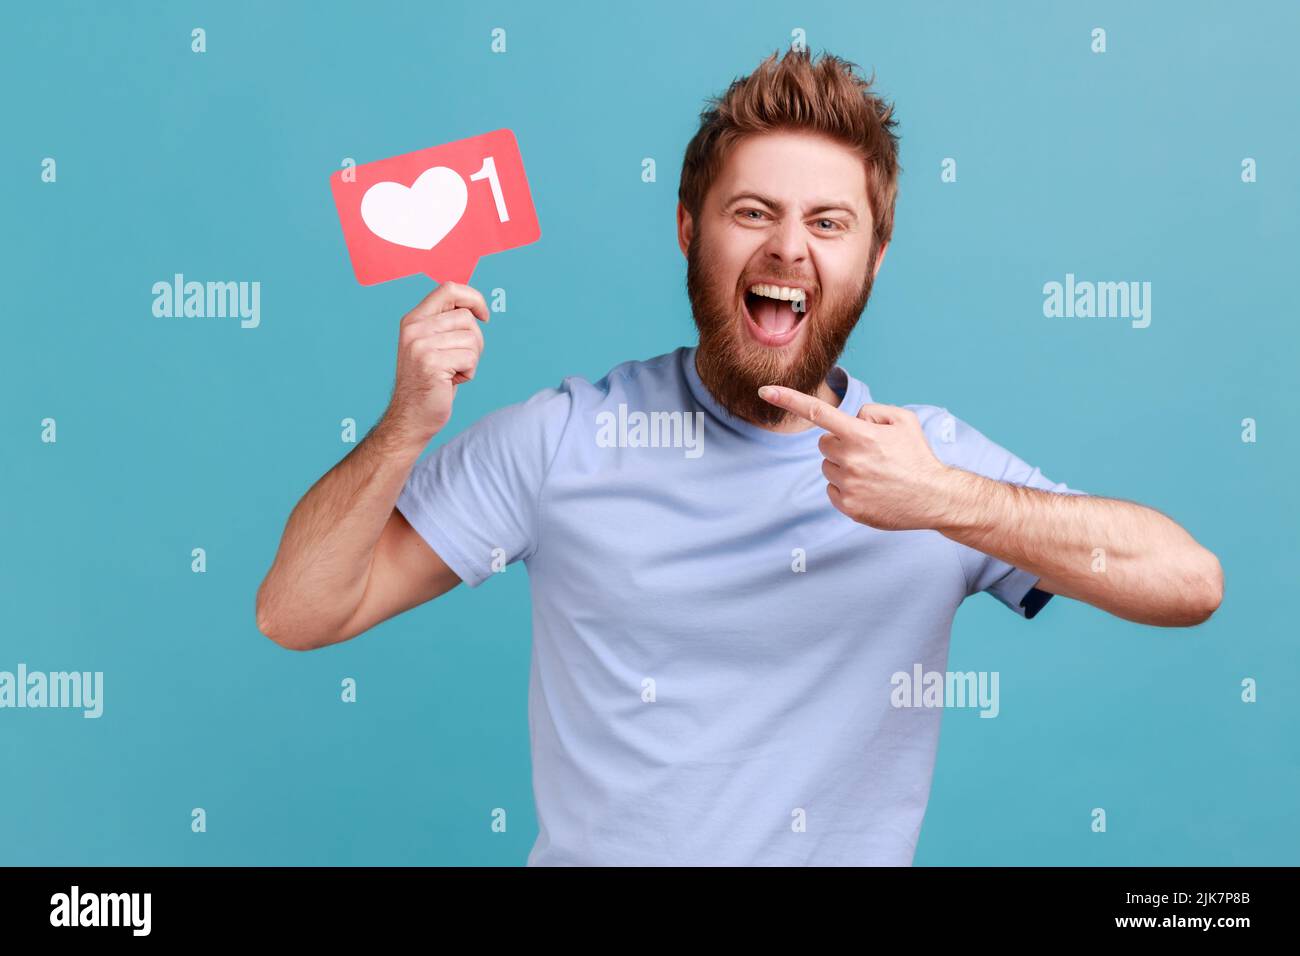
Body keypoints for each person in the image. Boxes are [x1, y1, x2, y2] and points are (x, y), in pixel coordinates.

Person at [255, 48, 1223, 866]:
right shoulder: (558, 439)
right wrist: (404, 427)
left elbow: (1188, 582)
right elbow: (298, 611)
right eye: (752, 212)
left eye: (828, 223)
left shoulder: (929, 465)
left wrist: (947, 499)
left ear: (874, 257)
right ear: (688, 229)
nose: (789, 248)